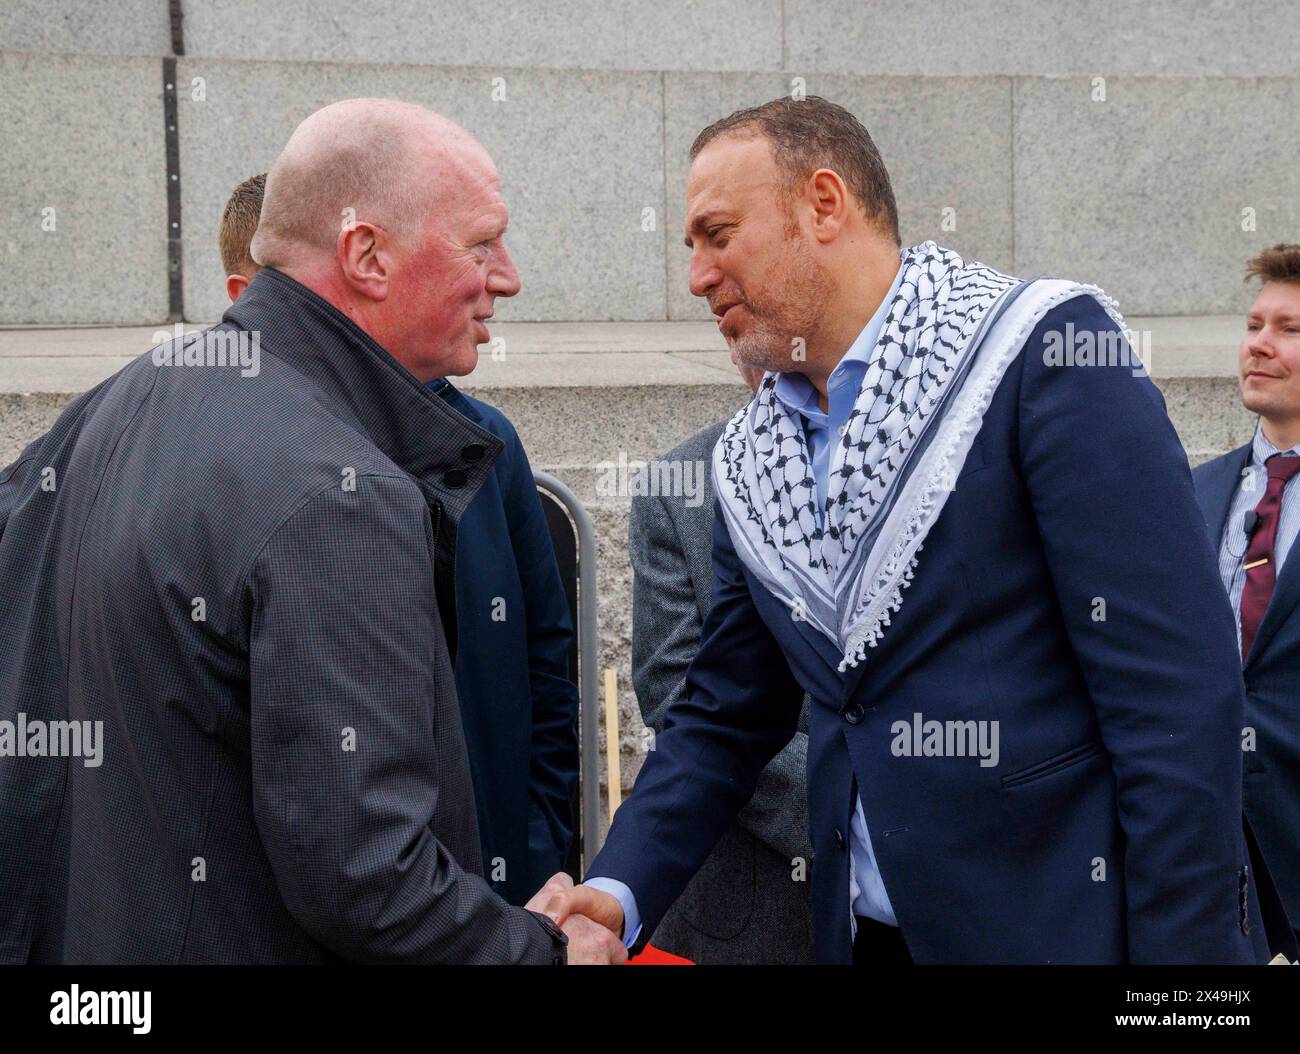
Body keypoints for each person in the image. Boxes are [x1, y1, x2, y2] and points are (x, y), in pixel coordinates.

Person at [552, 95, 1287, 964]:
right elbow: (723, 715)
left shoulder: (1038, 355)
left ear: (824, 204)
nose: (697, 277)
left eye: (718, 235)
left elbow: (1174, 698)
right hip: (861, 939)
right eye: (690, 246)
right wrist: (615, 891)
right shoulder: (755, 460)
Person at [0, 98, 622, 965]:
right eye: (481, 245)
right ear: (367, 255)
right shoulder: (339, 494)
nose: (508, 277)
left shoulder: (110, 407)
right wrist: (548, 953)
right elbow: (366, 877)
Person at [218, 172, 581, 907]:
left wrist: (538, 840)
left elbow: (544, 654)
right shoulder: (230, 455)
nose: (500, 282)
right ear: (245, 295)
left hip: (490, 879)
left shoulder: (485, 442)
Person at [628, 357, 815, 963]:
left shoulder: (934, 455)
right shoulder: (676, 485)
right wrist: (845, 810)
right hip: (752, 909)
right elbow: (675, 692)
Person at [1193, 244, 1300, 949]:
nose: (1259, 344)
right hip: (1206, 856)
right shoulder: (1193, 491)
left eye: (1290, 329)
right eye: (1255, 324)